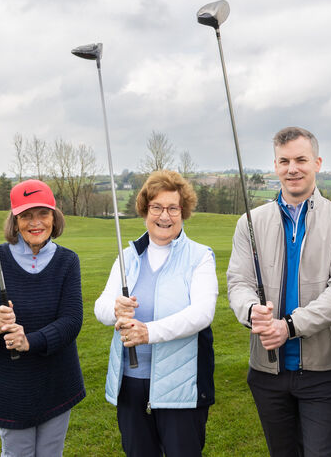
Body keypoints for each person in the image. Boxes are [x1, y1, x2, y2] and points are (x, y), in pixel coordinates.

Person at [227, 126, 331, 457]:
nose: (293, 169)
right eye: (284, 161)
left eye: (301, 160)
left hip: (324, 373)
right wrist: (251, 311)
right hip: (267, 372)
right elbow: (238, 282)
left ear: (317, 162)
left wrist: (287, 326)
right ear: (275, 165)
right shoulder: (249, 222)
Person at [0, 179, 85, 456]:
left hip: (57, 381)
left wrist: (30, 341)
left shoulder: (67, 261)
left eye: (43, 214)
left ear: (54, 217)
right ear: (15, 222)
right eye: (26, 215)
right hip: (12, 385)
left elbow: (71, 321)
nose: (35, 222)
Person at [95, 170, 218, 457]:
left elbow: (202, 313)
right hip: (131, 383)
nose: (165, 216)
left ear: (183, 212)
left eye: (173, 208)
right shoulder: (127, 257)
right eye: (157, 208)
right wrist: (115, 308)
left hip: (181, 388)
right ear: (145, 211)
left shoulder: (200, 256)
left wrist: (148, 333)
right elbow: (100, 308)